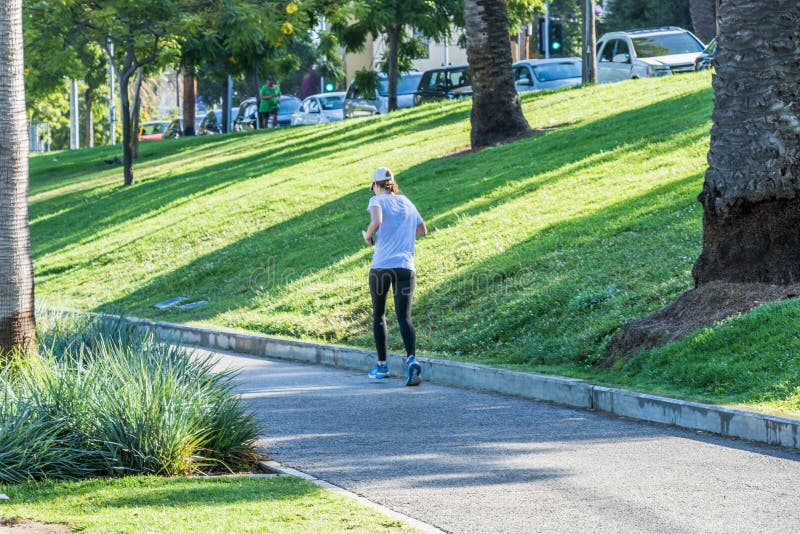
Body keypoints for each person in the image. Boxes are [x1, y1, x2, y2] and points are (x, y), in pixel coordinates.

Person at [362, 167, 427, 386]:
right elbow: (422, 230)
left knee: (379, 315)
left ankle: (381, 366)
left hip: (381, 267)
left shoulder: (376, 201)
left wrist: (368, 236)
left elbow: (377, 221)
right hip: (405, 268)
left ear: (375, 184)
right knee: (404, 316)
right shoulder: (407, 202)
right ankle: (411, 360)